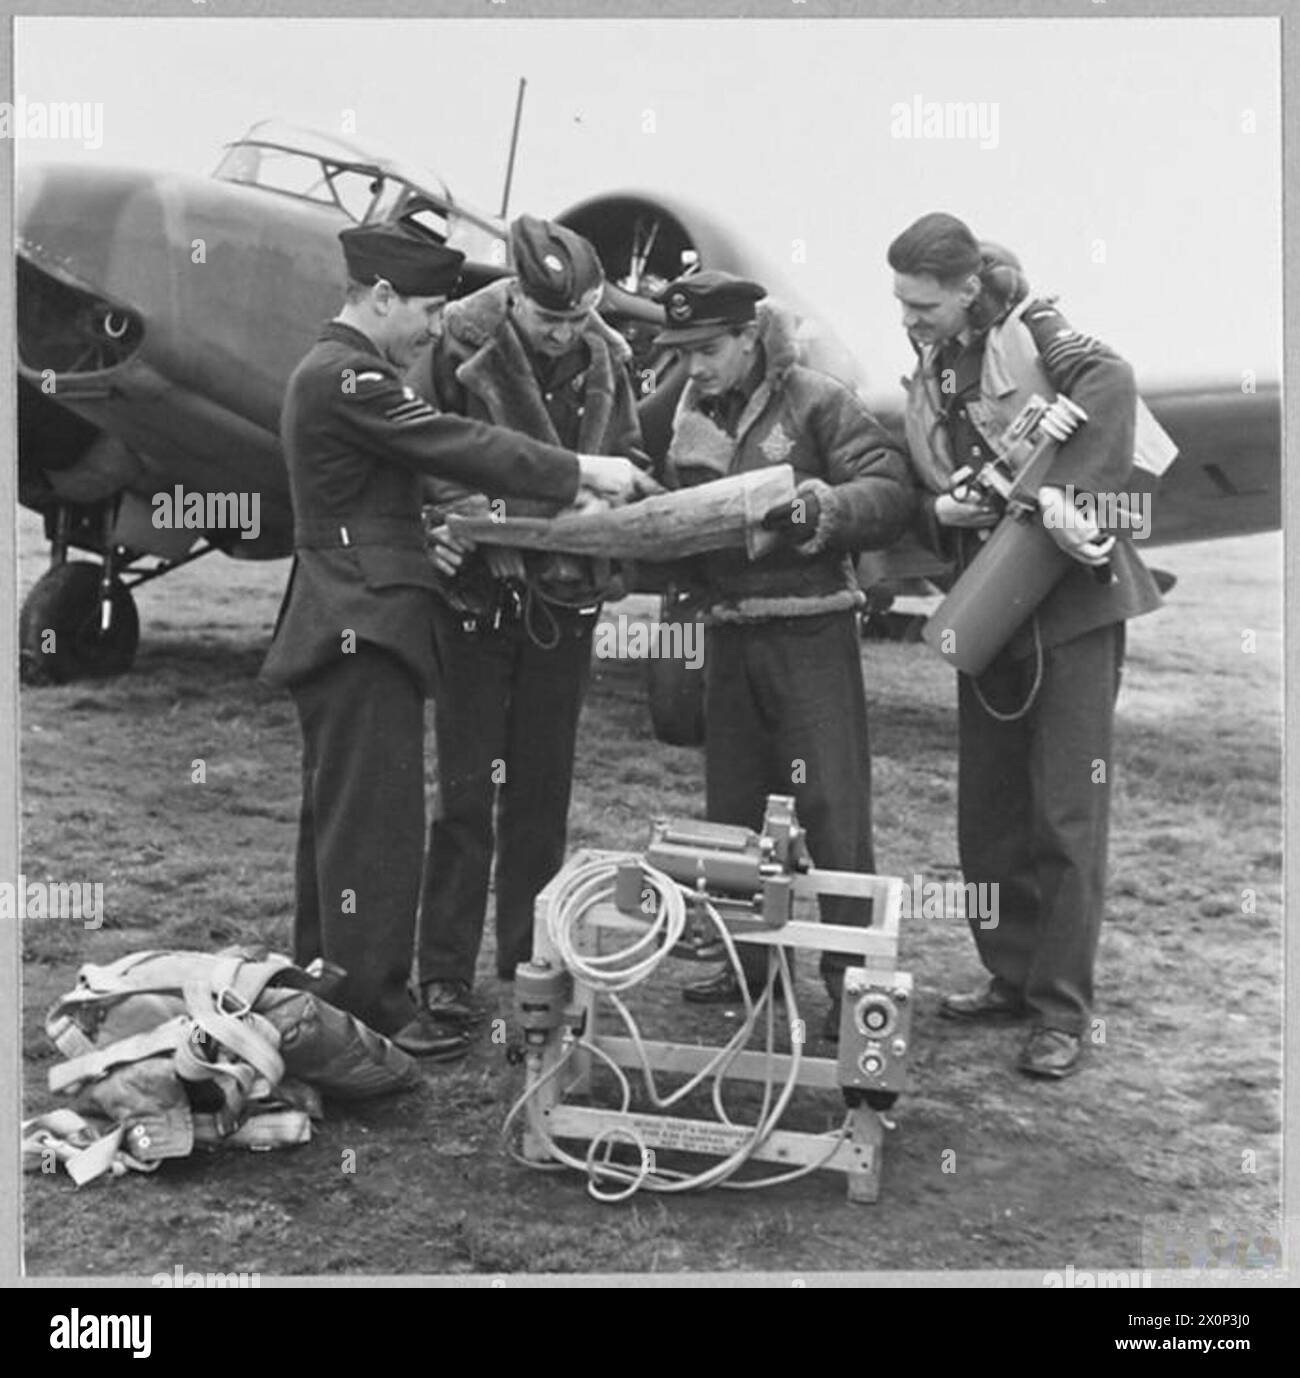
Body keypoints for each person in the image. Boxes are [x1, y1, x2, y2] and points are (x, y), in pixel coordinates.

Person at [260, 221, 655, 1059]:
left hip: (355, 616)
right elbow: (454, 442)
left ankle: (324, 988)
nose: (438, 326)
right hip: (362, 625)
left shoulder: (339, 373)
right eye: (428, 310)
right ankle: (371, 1012)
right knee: (376, 828)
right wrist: (580, 471)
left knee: (338, 823)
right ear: (380, 297)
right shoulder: (351, 376)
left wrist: (424, 532)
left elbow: (383, 494)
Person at [888, 211, 1166, 1078]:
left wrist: (1067, 499)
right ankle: (1008, 975)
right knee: (991, 812)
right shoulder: (937, 361)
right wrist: (949, 510)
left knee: (1064, 814)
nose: (910, 318)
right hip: (992, 602)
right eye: (900, 302)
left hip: (1072, 606)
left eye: (924, 303)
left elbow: (1111, 383)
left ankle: (1059, 1012)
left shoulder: (1040, 328)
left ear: (969, 288)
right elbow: (936, 470)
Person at [651, 269, 914, 1039]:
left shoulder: (819, 399)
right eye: (682, 352)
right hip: (729, 633)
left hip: (811, 634)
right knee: (733, 816)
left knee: (833, 811)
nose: (693, 368)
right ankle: (748, 969)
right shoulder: (682, 411)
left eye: (706, 350)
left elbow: (889, 489)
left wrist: (823, 506)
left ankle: (851, 980)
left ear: (747, 338)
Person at [414, 215, 645, 1035]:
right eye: (550, 321)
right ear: (513, 295)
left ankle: (528, 958)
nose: (563, 337)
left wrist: (600, 516)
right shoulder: (450, 348)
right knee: (467, 794)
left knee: (542, 794)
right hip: (476, 606)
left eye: (578, 320)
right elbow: (416, 457)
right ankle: (442, 972)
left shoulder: (610, 359)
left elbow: (628, 464)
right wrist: (474, 518)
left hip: (564, 606)